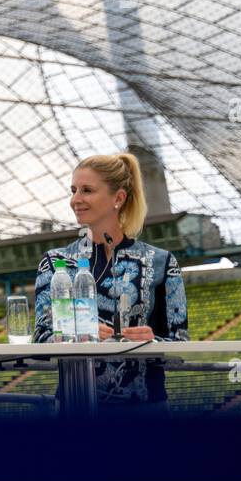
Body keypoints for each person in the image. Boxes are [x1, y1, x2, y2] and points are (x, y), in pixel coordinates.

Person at [33, 152, 187, 414]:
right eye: (73, 190)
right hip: (75, 410)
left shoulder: (162, 262)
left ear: (118, 198)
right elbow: (40, 339)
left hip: (146, 411)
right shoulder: (55, 262)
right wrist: (77, 333)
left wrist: (152, 341)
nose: (75, 199)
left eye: (87, 190)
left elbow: (179, 344)